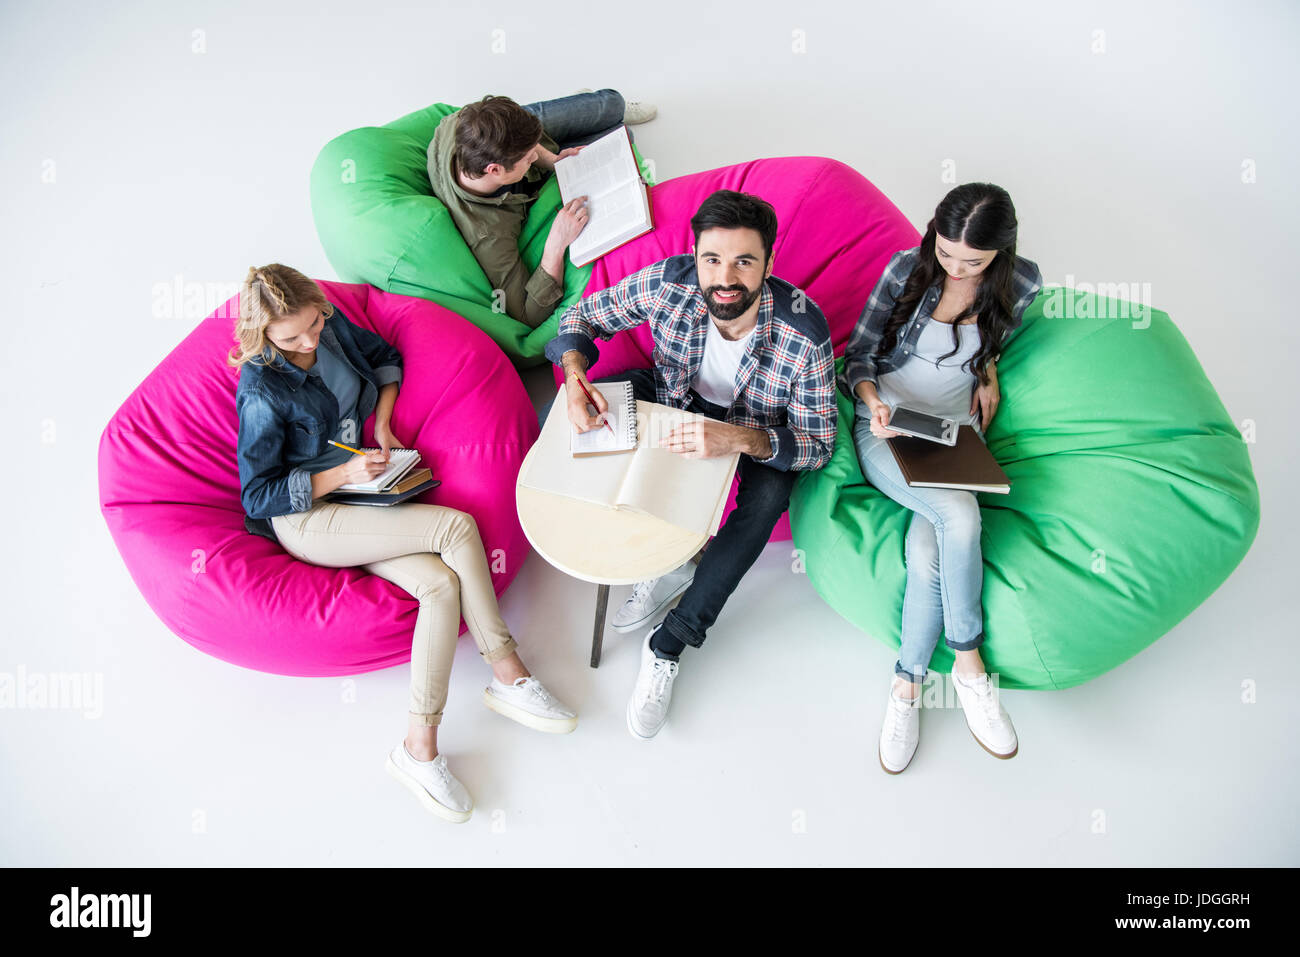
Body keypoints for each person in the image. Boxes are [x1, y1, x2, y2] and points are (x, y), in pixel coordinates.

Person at [232, 264, 577, 823]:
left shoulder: (330, 324)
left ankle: (418, 750)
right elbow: (259, 495)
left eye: (313, 326)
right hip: (310, 514)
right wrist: (339, 478)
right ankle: (510, 672)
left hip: (362, 480)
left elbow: (385, 359)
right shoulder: (261, 390)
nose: (308, 341)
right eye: (290, 337)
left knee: (440, 586)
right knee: (456, 527)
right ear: (263, 333)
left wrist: (384, 428)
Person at [544, 190, 837, 740]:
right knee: (585, 404)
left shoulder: (805, 332)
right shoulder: (669, 282)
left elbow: (817, 444)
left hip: (756, 425)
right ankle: (659, 557)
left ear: (769, 265)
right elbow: (580, 316)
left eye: (744, 262)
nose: (725, 278)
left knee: (769, 499)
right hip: (675, 398)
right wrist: (576, 374)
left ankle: (671, 641)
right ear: (695, 256)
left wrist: (735, 438)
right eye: (712, 259)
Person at [839, 183, 1043, 774]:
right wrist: (872, 401)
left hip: (951, 431)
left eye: (971, 262)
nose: (954, 269)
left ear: (1000, 255)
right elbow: (859, 355)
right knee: (958, 514)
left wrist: (988, 369)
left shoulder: (1022, 283)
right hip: (888, 424)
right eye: (946, 253)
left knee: (931, 541)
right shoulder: (907, 270)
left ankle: (906, 685)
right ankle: (969, 665)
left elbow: (995, 338)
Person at [426, 89, 657, 328]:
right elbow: (528, 313)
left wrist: (551, 159)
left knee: (612, 103)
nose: (533, 157)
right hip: (510, 157)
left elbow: (525, 146)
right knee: (623, 136)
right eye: (528, 158)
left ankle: (576, 118)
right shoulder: (486, 233)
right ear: (494, 170)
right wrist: (555, 244)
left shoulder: (468, 123)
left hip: (513, 140)